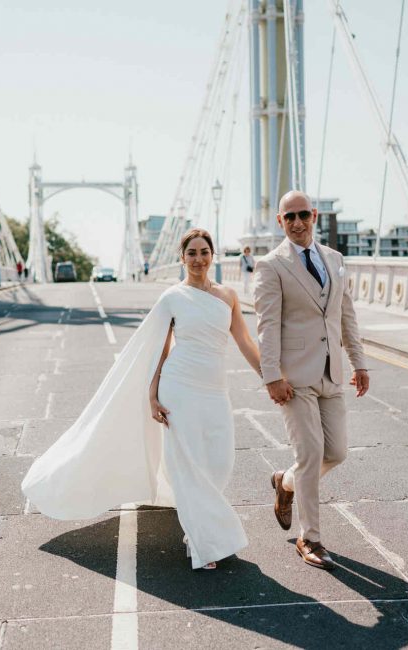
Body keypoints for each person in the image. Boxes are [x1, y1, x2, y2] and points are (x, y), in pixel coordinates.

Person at [22, 228, 261, 571]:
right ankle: (203, 540)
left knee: (219, 462)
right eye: (191, 253)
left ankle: (202, 524)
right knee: (189, 465)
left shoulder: (228, 295)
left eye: (204, 251)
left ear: (213, 255)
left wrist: (271, 378)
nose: (198, 258)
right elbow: (158, 350)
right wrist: (152, 394)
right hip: (179, 388)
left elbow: (245, 341)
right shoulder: (172, 298)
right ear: (182, 258)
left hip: (215, 389)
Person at [254, 191, 369, 571]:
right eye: (290, 217)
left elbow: (345, 316)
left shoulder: (335, 259)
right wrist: (272, 375)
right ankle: (310, 538)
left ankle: (284, 482)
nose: (298, 222)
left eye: (304, 215)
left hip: (331, 372)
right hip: (294, 378)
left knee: (336, 452)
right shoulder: (271, 266)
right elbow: (267, 325)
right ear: (280, 221)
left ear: (315, 215)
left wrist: (359, 363)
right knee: (310, 455)